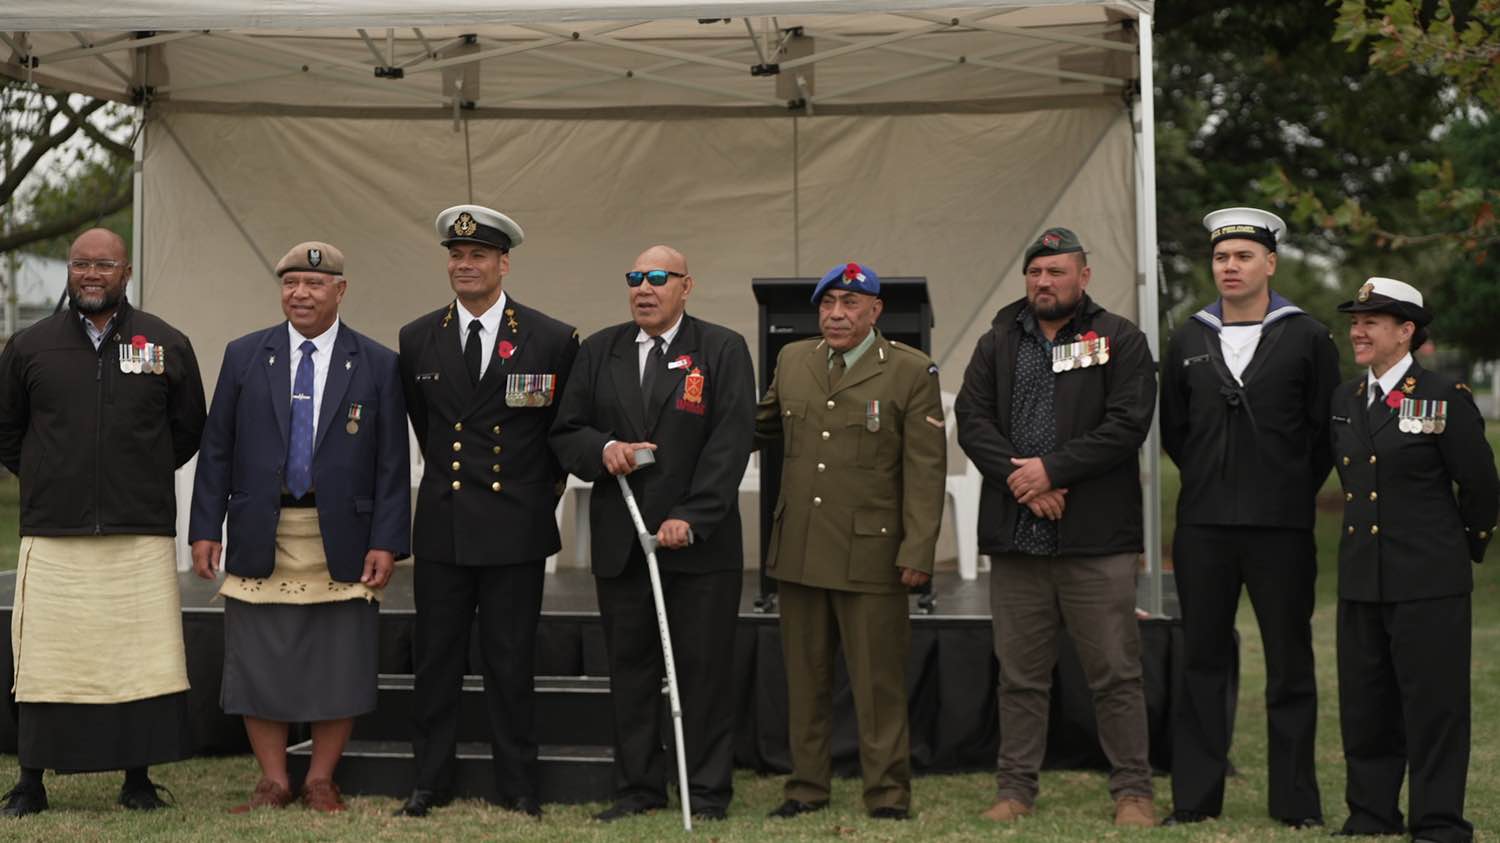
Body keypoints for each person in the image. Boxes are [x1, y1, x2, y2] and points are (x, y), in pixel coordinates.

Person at [188, 241, 410, 813]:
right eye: (290, 283)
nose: (300, 293)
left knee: (340, 660)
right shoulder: (244, 355)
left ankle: (320, 781)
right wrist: (204, 528)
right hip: (263, 530)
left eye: (314, 284)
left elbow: (392, 462)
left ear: (340, 290)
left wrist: (387, 539)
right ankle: (273, 781)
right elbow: (217, 450)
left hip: (344, 537)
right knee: (260, 660)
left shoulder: (379, 363)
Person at [954, 227, 1158, 827]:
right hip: (1017, 538)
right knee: (1019, 675)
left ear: (1084, 277)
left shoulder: (1119, 338)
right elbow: (972, 420)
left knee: (1116, 673)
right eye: (1036, 273)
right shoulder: (997, 341)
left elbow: (1127, 425)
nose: (1044, 282)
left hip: (1096, 537)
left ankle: (1133, 793)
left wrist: (1052, 470)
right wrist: (1024, 482)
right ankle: (1015, 790)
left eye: (1057, 272)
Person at [0, 228, 206, 817]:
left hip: (137, 531)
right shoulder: (29, 346)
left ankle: (137, 779)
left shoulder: (165, 344)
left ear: (127, 271)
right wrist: (46, 474)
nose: (91, 274)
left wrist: (133, 474)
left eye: (104, 264)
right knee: (45, 662)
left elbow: (188, 428)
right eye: (81, 264)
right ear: (70, 271)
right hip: (54, 530)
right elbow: (7, 430)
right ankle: (30, 782)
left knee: (137, 660)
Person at [550, 245, 755, 822]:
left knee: (703, 673)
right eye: (635, 278)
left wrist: (693, 514)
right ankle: (638, 789)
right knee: (632, 671)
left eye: (658, 278)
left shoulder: (721, 349)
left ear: (686, 286)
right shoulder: (599, 351)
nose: (644, 287)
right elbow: (567, 432)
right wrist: (603, 448)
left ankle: (707, 791)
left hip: (699, 546)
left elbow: (731, 440)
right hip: (624, 543)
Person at [394, 204, 579, 819]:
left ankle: (520, 786)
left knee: (509, 662)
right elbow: (426, 427)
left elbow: (560, 435)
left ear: (504, 263)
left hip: (514, 528)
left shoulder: (551, 337)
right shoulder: (418, 336)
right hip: (445, 525)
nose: (464, 265)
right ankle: (430, 781)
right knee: (436, 661)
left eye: (477, 255)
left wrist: (532, 498)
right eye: (455, 255)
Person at [1160, 207, 1340, 827]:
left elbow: (1322, 435)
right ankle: (1194, 800)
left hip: (1281, 528)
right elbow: (1177, 433)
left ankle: (1295, 804)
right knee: (1203, 660)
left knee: (1290, 664)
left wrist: (1283, 489)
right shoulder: (1187, 337)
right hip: (1204, 527)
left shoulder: (1308, 337)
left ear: (1270, 263)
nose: (1229, 267)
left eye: (1242, 257)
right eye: (1220, 257)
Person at [755, 260, 945, 821]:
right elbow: (760, 425)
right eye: (827, 305)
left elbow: (926, 471)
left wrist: (917, 551)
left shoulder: (911, 371)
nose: (836, 315)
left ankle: (886, 793)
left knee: (876, 682)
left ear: (875, 311)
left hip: (873, 554)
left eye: (850, 304)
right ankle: (805, 788)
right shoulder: (794, 359)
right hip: (800, 549)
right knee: (804, 680)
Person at [1330, 276, 1497, 843]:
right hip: (1361, 577)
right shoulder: (1346, 400)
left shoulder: (1445, 398)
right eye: (1355, 320)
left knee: (1434, 709)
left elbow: (1480, 486)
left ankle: (1439, 820)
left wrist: (1464, 548)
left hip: (1429, 580)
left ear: (1405, 332)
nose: (1357, 330)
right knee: (1366, 705)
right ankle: (1372, 813)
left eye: (1371, 321)